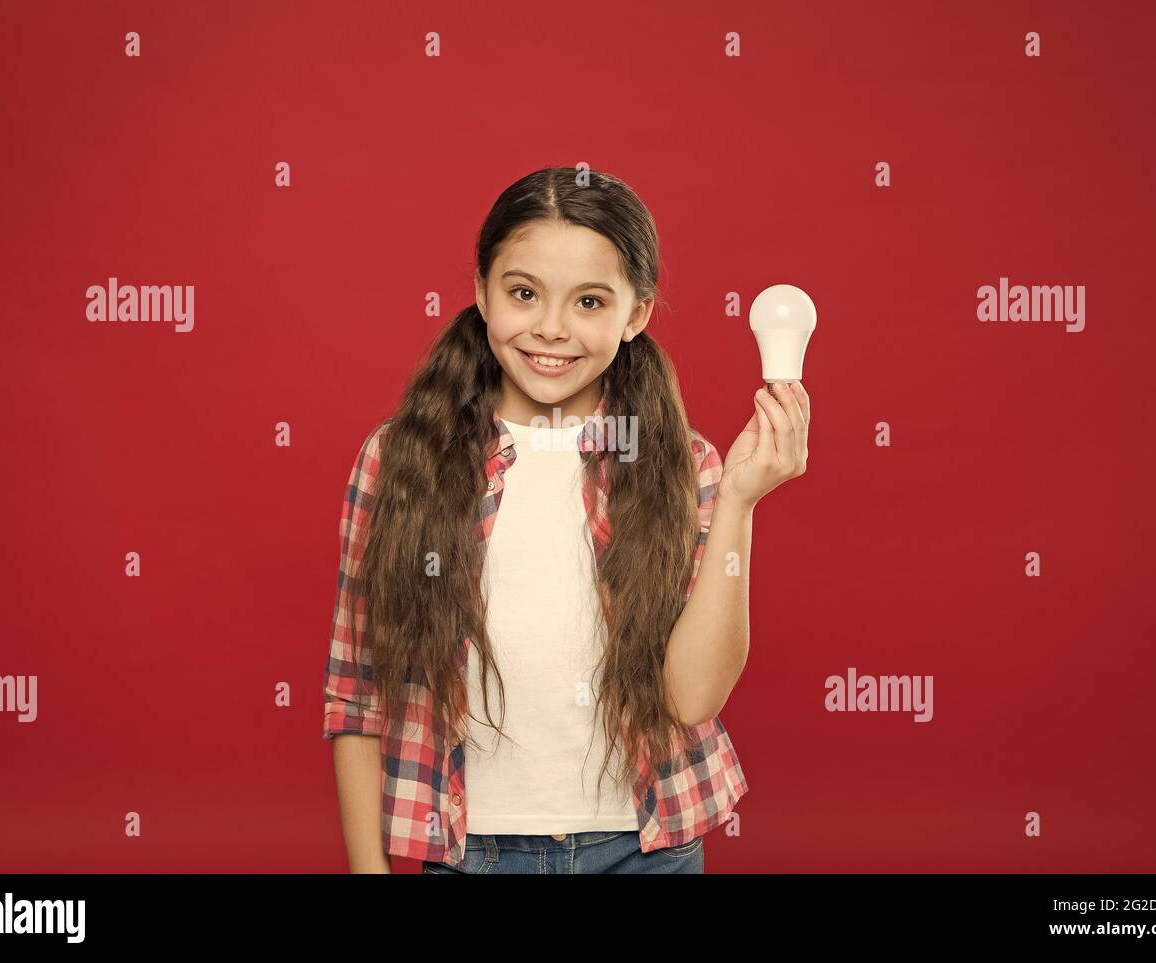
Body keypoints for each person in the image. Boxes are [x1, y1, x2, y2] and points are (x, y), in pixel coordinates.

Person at [323, 166, 810, 874]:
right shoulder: (399, 460)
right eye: (523, 293)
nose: (551, 327)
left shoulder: (687, 465)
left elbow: (693, 695)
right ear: (483, 291)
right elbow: (355, 688)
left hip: (646, 850)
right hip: (471, 854)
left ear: (636, 314)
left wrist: (739, 502)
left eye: (589, 301)